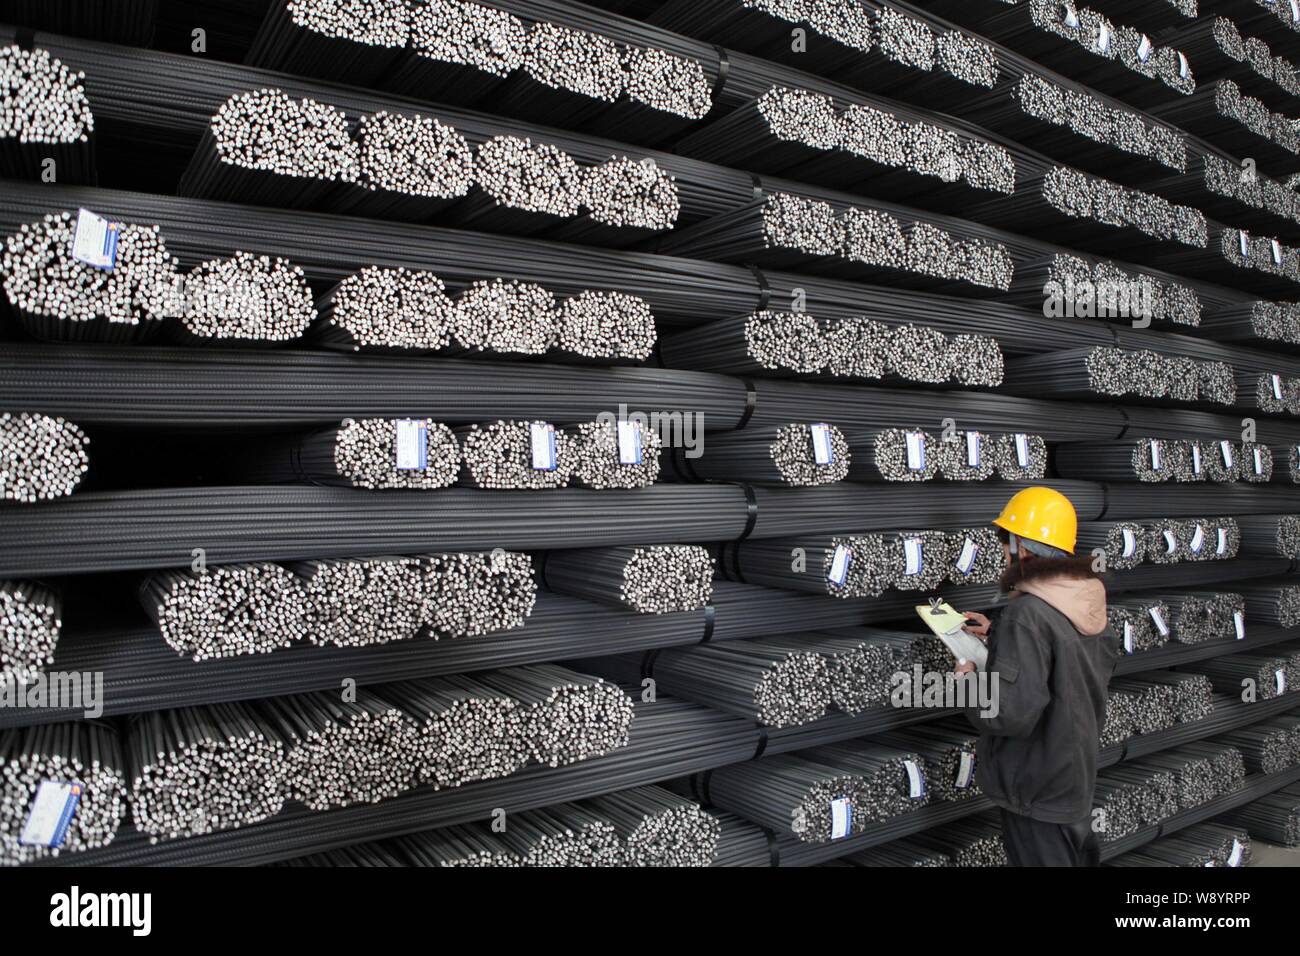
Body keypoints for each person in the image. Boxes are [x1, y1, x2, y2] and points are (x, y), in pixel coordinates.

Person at [955, 486, 1117, 866]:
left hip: (1036, 784)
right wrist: (999, 636)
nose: (1001, 554)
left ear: (1021, 548)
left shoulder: (1026, 615)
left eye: (1004, 544)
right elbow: (1068, 658)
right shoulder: (1083, 600)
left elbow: (1007, 713)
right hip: (1072, 775)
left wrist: (965, 683)